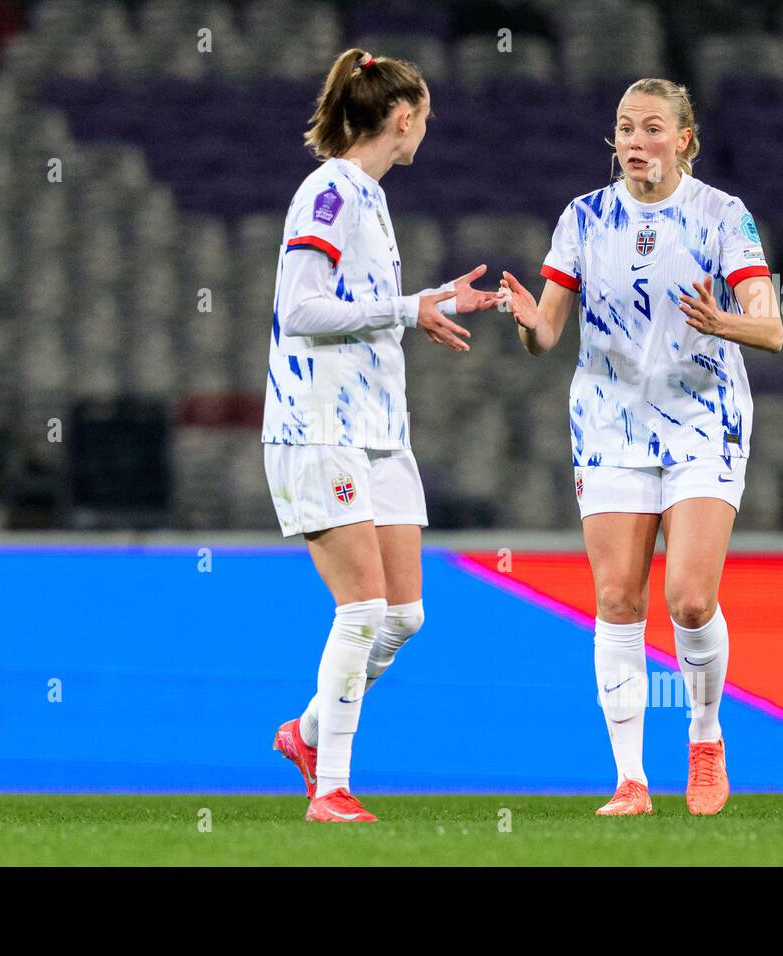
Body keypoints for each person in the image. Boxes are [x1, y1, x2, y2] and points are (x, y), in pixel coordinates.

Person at [498, 77, 783, 816]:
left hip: (704, 416)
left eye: (652, 129)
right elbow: (548, 337)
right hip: (609, 420)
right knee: (619, 598)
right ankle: (630, 781)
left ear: (684, 140)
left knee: (689, 600)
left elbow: (772, 327)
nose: (635, 143)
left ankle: (705, 734)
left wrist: (727, 324)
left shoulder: (722, 215)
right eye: (625, 128)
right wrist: (530, 323)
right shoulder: (584, 218)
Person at [263, 48, 498, 822]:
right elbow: (299, 308)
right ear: (403, 119)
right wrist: (405, 309)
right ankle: (330, 789)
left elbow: (362, 304)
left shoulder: (368, 196)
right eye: (425, 117)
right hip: (319, 426)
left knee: (402, 616)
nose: (425, 130)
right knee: (361, 610)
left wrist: (425, 302)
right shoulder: (329, 193)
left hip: (377, 431)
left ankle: (305, 732)